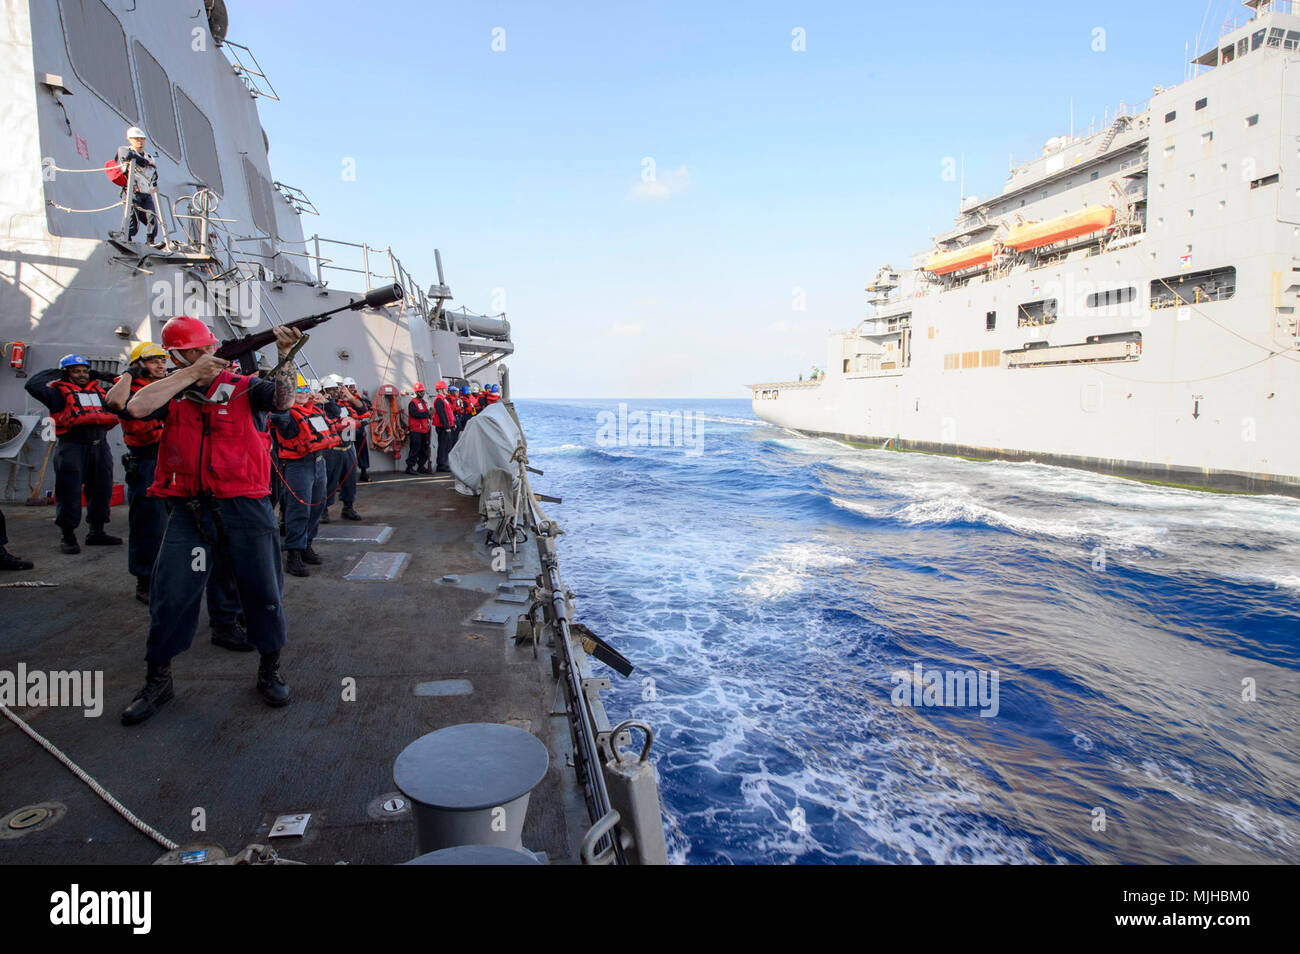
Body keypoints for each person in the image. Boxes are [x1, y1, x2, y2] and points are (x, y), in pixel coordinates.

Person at [118, 316, 300, 726]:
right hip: (189, 508)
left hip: (246, 506)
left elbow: (283, 400)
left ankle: (269, 670)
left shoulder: (244, 387)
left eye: (206, 349)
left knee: (263, 590)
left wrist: (285, 354)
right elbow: (136, 407)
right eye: (194, 352)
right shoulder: (172, 393)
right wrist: (189, 375)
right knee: (172, 594)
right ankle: (158, 680)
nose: (204, 356)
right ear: (178, 356)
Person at [104, 343, 251, 650]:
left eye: (161, 359)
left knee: (219, 545)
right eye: (152, 361)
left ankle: (225, 616)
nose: (159, 365)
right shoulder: (150, 387)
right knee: (150, 527)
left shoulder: (183, 380)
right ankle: (146, 581)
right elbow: (119, 405)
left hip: (188, 466)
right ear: (139, 364)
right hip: (148, 461)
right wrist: (128, 377)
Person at [24, 354, 122, 554]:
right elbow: (32, 384)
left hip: (99, 446)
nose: (82, 375)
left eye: (85, 371)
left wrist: (99, 373)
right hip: (72, 447)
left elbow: (121, 383)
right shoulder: (57, 394)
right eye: (76, 371)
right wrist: (57, 373)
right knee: (69, 492)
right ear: (66, 373)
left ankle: (97, 532)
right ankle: (67, 536)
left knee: (102, 490)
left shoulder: (101, 392)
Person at [273, 379, 336, 576]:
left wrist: (326, 401)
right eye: (297, 389)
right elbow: (281, 421)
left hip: (319, 462)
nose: (302, 392)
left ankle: (307, 544)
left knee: (317, 506)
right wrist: (285, 402)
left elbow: (335, 416)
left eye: (305, 389)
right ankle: (294, 553)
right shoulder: (284, 414)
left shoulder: (314, 410)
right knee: (299, 509)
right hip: (297, 466)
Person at [321, 374, 363, 522]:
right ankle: (323, 510)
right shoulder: (324, 406)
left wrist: (351, 399)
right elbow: (333, 421)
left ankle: (348, 507)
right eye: (332, 388)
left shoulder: (346, 404)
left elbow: (363, 411)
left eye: (338, 387)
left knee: (350, 480)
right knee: (329, 480)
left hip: (348, 446)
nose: (337, 390)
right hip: (333, 449)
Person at [115, 126, 160, 247]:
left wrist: (154, 183)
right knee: (131, 218)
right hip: (133, 191)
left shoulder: (150, 157)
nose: (140, 142)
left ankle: (150, 241)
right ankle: (126, 238)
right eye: (136, 139)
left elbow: (154, 173)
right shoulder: (124, 150)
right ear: (130, 140)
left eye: (142, 139)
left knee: (152, 216)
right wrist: (144, 162)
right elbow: (128, 156)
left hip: (146, 193)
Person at [342, 377, 372, 482]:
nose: (353, 389)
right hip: (346, 429)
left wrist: (359, 397)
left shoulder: (357, 398)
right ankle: (344, 476)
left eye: (354, 387)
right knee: (346, 452)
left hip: (359, 428)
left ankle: (364, 471)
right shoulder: (342, 400)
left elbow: (368, 406)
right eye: (351, 387)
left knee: (362, 450)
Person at [406, 383, 432, 474]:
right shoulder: (413, 403)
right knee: (415, 448)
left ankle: (421, 466)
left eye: (423, 391)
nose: (422, 393)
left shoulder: (424, 403)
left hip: (424, 429)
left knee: (424, 449)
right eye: (420, 392)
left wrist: (430, 414)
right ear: (416, 392)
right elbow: (414, 414)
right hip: (416, 429)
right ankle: (409, 467)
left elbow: (426, 414)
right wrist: (427, 414)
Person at [431, 381, 457, 473]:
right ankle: (441, 464)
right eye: (445, 389)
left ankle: (444, 463)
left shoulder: (444, 399)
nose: (447, 390)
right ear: (441, 390)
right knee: (443, 445)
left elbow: (449, 412)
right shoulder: (439, 400)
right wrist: (447, 426)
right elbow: (442, 414)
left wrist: (452, 424)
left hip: (448, 426)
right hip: (443, 427)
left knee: (447, 445)